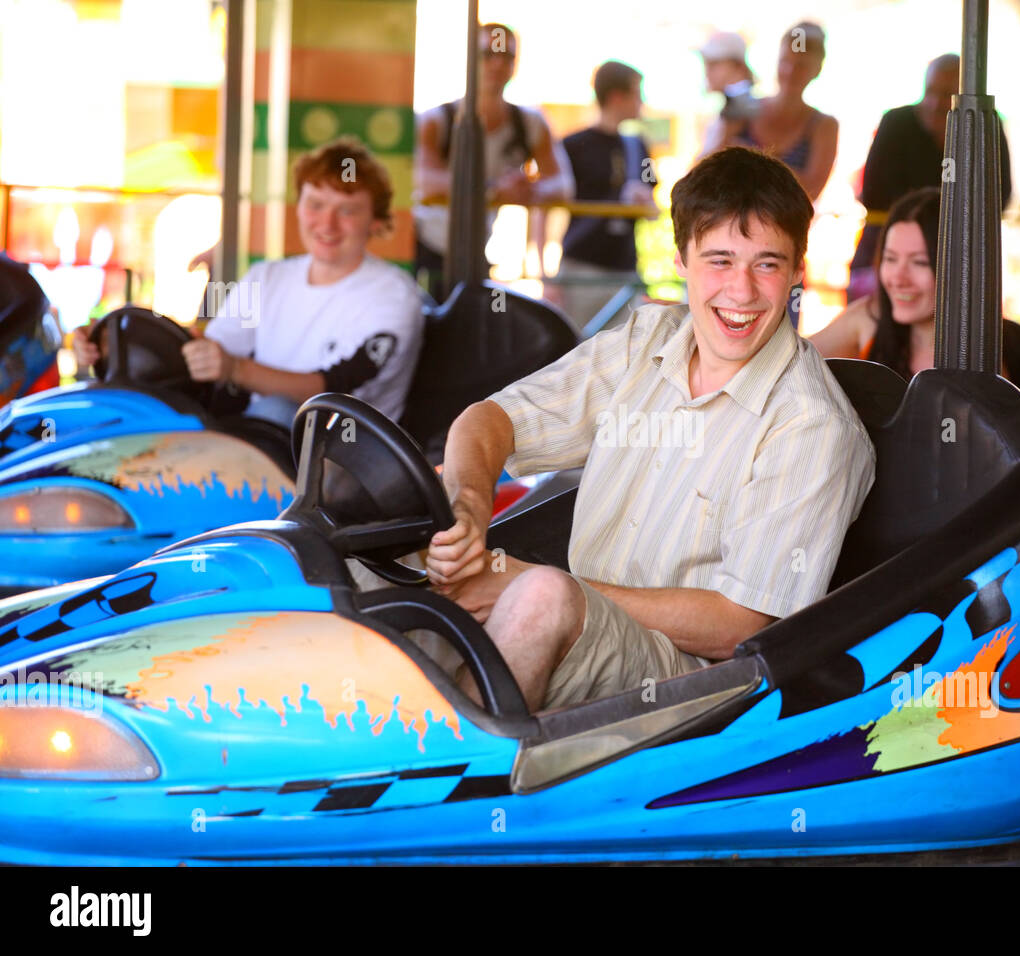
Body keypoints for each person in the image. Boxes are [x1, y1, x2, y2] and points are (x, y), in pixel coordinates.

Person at [425, 147, 874, 713]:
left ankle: (459, 787)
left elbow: (744, 624)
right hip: (580, 625)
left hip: (691, 687)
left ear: (796, 271)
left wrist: (525, 586)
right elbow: (491, 419)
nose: (741, 292)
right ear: (681, 259)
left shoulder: (812, 427)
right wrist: (467, 509)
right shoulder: (647, 339)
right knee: (381, 567)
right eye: (719, 260)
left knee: (539, 595)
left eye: (766, 263)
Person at [74, 137, 424, 428]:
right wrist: (111, 346)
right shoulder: (267, 277)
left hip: (349, 450)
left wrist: (236, 369)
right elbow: (205, 354)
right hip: (268, 439)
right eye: (316, 204)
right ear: (299, 207)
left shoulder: (394, 297)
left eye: (346, 211)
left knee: (277, 411)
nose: (327, 224)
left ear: (376, 222)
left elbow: (332, 389)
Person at [413, 22, 573, 301]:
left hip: (475, 252)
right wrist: (493, 190)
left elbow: (562, 185)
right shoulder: (436, 120)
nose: (497, 64)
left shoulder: (530, 124)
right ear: (470, 61)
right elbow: (425, 182)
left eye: (507, 56)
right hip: (423, 251)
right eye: (488, 54)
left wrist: (525, 190)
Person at [846, 54, 1013, 302]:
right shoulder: (896, 122)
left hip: (959, 255)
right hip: (888, 245)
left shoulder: (985, 125)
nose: (935, 103)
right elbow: (873, 192)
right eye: (930, 92)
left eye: (947, 94)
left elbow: (999, 196)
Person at [551, 61, 658, 326]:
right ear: (616, 97)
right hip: (582, 267)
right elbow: (550, 205)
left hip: (624, 268)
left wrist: (643, 201)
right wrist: (548, 276)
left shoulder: (638, 146)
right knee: (576, 353)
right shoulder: (573, 145)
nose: (641, 102)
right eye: (637, 93)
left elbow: (652, 201)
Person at [812, 188, 940, 379]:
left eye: (920, 262)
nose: (898, 279)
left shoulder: (992, 348)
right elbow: (782, 365)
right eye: (890, 259)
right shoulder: (868, 319)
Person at [703, 22, 838, 203]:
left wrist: (746, 154)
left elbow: (811, 191)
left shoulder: (823, 125)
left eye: (801, 65)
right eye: (785, 62)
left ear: (817, 69)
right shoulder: (743, 108)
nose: (790, 72)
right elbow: (707, 168)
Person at [697, 31, 758, 127]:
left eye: (714, 64)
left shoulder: (742, 111)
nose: (708, 72)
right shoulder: (728, 108)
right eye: (706, 64)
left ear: (739, 67)